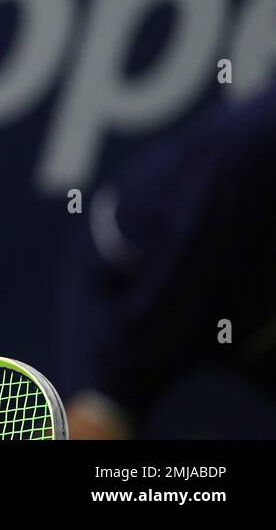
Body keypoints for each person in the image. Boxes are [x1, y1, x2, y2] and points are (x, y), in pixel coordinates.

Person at [57, 82, 276, 438]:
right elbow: (187, 264)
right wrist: (115, 393)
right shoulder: (253, 145)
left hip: (249, 305)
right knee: (99, 421)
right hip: (138, 278)